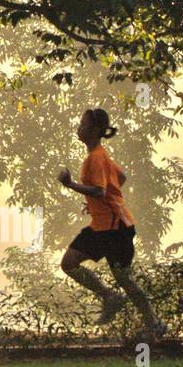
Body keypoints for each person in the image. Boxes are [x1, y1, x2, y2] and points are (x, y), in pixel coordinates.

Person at [57, 107, 166, 340]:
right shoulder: (99, 156)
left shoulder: (97, 158)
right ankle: (110, 296)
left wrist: (71, 185)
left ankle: (154, 323)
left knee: (123, 278)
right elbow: (120, 178)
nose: (79, 128)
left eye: (83, 125)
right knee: (69, 263)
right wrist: (103, 201)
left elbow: (99, 190)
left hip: (116, 228)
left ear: (95, 130)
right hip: (102, 225)